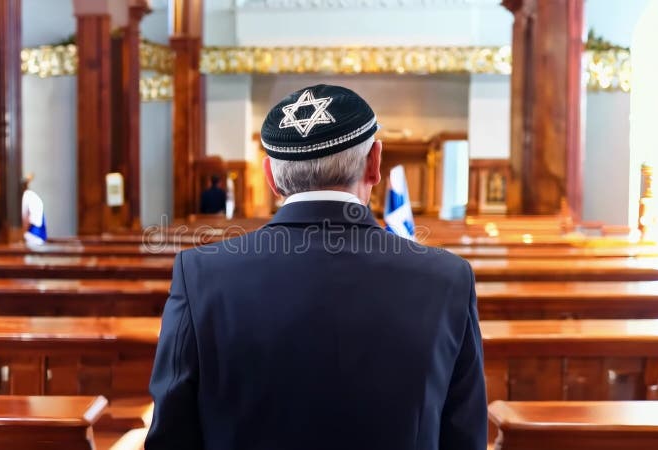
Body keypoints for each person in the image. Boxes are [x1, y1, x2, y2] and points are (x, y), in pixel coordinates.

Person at [145, 84, 487, 450]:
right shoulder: (448, 278)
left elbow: (172, 436)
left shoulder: (198, 274)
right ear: (375, 163)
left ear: (270, 177)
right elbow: (464, 437)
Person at [21, 173, 47, 246]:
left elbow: (29, 219)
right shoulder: (24, 196)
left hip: (34, 235)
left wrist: (21, 234)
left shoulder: (30, 197)